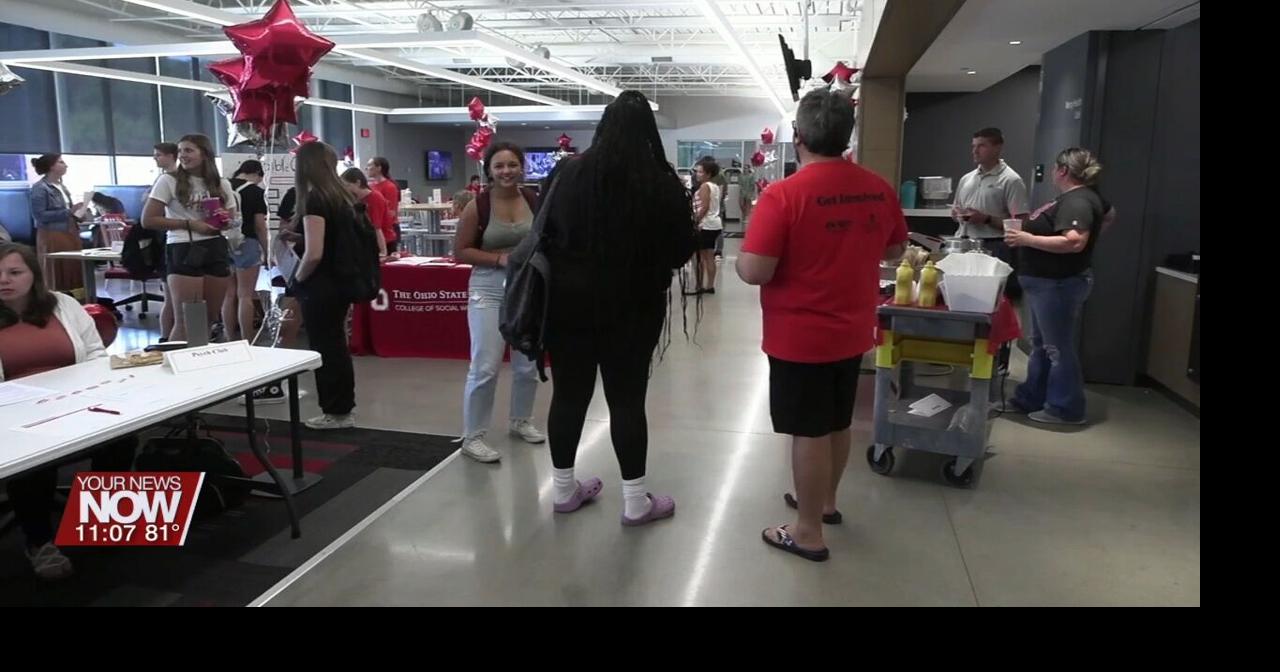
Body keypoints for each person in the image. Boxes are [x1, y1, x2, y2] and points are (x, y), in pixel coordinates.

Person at [737, 90, 908, 562]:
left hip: (801, 335)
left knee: (808, 430)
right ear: (846, 135)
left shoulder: (783, 195)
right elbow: (895, 252)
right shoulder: (877, 187)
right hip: (853, 328)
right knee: (836, 421)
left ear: (798, 137)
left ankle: (808, 531)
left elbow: (755, 270)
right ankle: (826, 502)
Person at [539, 90, 697, 523]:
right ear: (648, 131)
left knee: (568, 396)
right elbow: (682, 251)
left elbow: (543, 235)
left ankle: (564, 491)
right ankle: (634, 502)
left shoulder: (566, 174)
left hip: (567, 307)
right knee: (627, 400)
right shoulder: (660, 182)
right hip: (634, 308)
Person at [0, 242, 136, 579]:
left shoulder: (63, 304)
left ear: (34, 275)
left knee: (123, 436)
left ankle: (104, 519)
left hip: (73, 402)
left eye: (14, 272)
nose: (4, 280)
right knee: (34, 458)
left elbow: (94, 354)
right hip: (12, 415)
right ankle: (39, 541)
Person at [451, 141, 545, 463]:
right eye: (499, 166)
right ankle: (473, 436)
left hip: (528, 289)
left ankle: (521, 420)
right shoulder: (477, 206)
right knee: (485, 366)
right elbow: (460, 251)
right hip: (487, 289)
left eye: (512, 165)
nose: (506, 171)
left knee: (527, 363)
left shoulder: (534, 200)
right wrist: (501, 260)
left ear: (522, 167)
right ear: (489, 171)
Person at [1002, 148, 1106, 426]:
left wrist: (1026, 239)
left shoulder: (1077, 201)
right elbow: (1108, 215)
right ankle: (1031, 397)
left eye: (1053, 169)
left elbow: (1074, 241)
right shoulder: (1085, 199)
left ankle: (1065, 408)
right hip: (1047, 284)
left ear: (1061, 171)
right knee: (1043, 345)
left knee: (1057, 348)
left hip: (1057, 284)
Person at [141, 134, 236, 342]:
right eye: (181, 151)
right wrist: (190, 224)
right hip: (183, 247)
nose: (183, 155)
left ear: (205, 153)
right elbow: (148, 220)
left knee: (209, 318)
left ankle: (202, 366)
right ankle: (179, 367)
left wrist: (224, 220)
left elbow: (232, 220)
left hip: (215, 248)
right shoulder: (168, 181)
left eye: (189, 150)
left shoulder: (222, 184)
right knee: (186, 320)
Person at [293, 143, 361, 430]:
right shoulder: (344, 198)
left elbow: (315, 253)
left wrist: (297, 279)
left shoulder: (314, 200)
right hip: (343, 280)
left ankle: (335, 411)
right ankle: (342, 407)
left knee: (325, 347)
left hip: (321, 284)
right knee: (336, 346)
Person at [223, 160, 269, 343]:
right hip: (246, 242)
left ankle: (228, 336)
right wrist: (266, 251)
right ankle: (247, 339)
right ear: (258, 173)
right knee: (245, 295)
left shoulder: (222, 186)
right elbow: (260, 226)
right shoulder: (255, 192)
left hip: (223, 242)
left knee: (228, 294)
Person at [28, 153, 85, 295]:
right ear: (51, 167)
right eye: (61, 162)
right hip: (52, 234)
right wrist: (68, 212)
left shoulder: (62, 186)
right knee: (57, 271)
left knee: (73, 268)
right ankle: (57, 301)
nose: (65, 165)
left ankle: (77, 300)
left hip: (70, 231)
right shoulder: (40, 188)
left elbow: (68, 212)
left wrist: (79, 213)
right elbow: (39, 215)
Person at [152, 142, 179, 340]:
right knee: (170, 297)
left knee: (173, 298)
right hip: (165, 239)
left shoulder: (176, 180)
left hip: (173, 238)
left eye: (159, 155)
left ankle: (169, 337)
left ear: (171, 156)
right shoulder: (162, 180)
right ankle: (165, 337)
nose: (156, 158)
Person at [340, 168, 395, 258]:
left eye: (348, 185)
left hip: (384, 242)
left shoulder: (375, 198)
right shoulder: (354, 198)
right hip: (368, 242)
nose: (346, 189)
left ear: (358, 183)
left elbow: (377, 227)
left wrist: (382, 251)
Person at [691, 158, 723, 294]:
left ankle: (699, 285)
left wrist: (695, 221)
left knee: (698, 257)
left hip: (705, 225)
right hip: (714, 225)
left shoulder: (704, 186)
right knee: (709, 255)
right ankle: (710, 286)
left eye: (700, 172)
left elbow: (704, 207)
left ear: (708, 174)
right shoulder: (715, 186)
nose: (697, 174)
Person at [365, 157, 401, 251]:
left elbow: (391, 213)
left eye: (369, 165)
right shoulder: (370, 186)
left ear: (379, 168)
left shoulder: (389, 187)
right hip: (374, 227)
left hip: (387, 229)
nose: (367, 168)